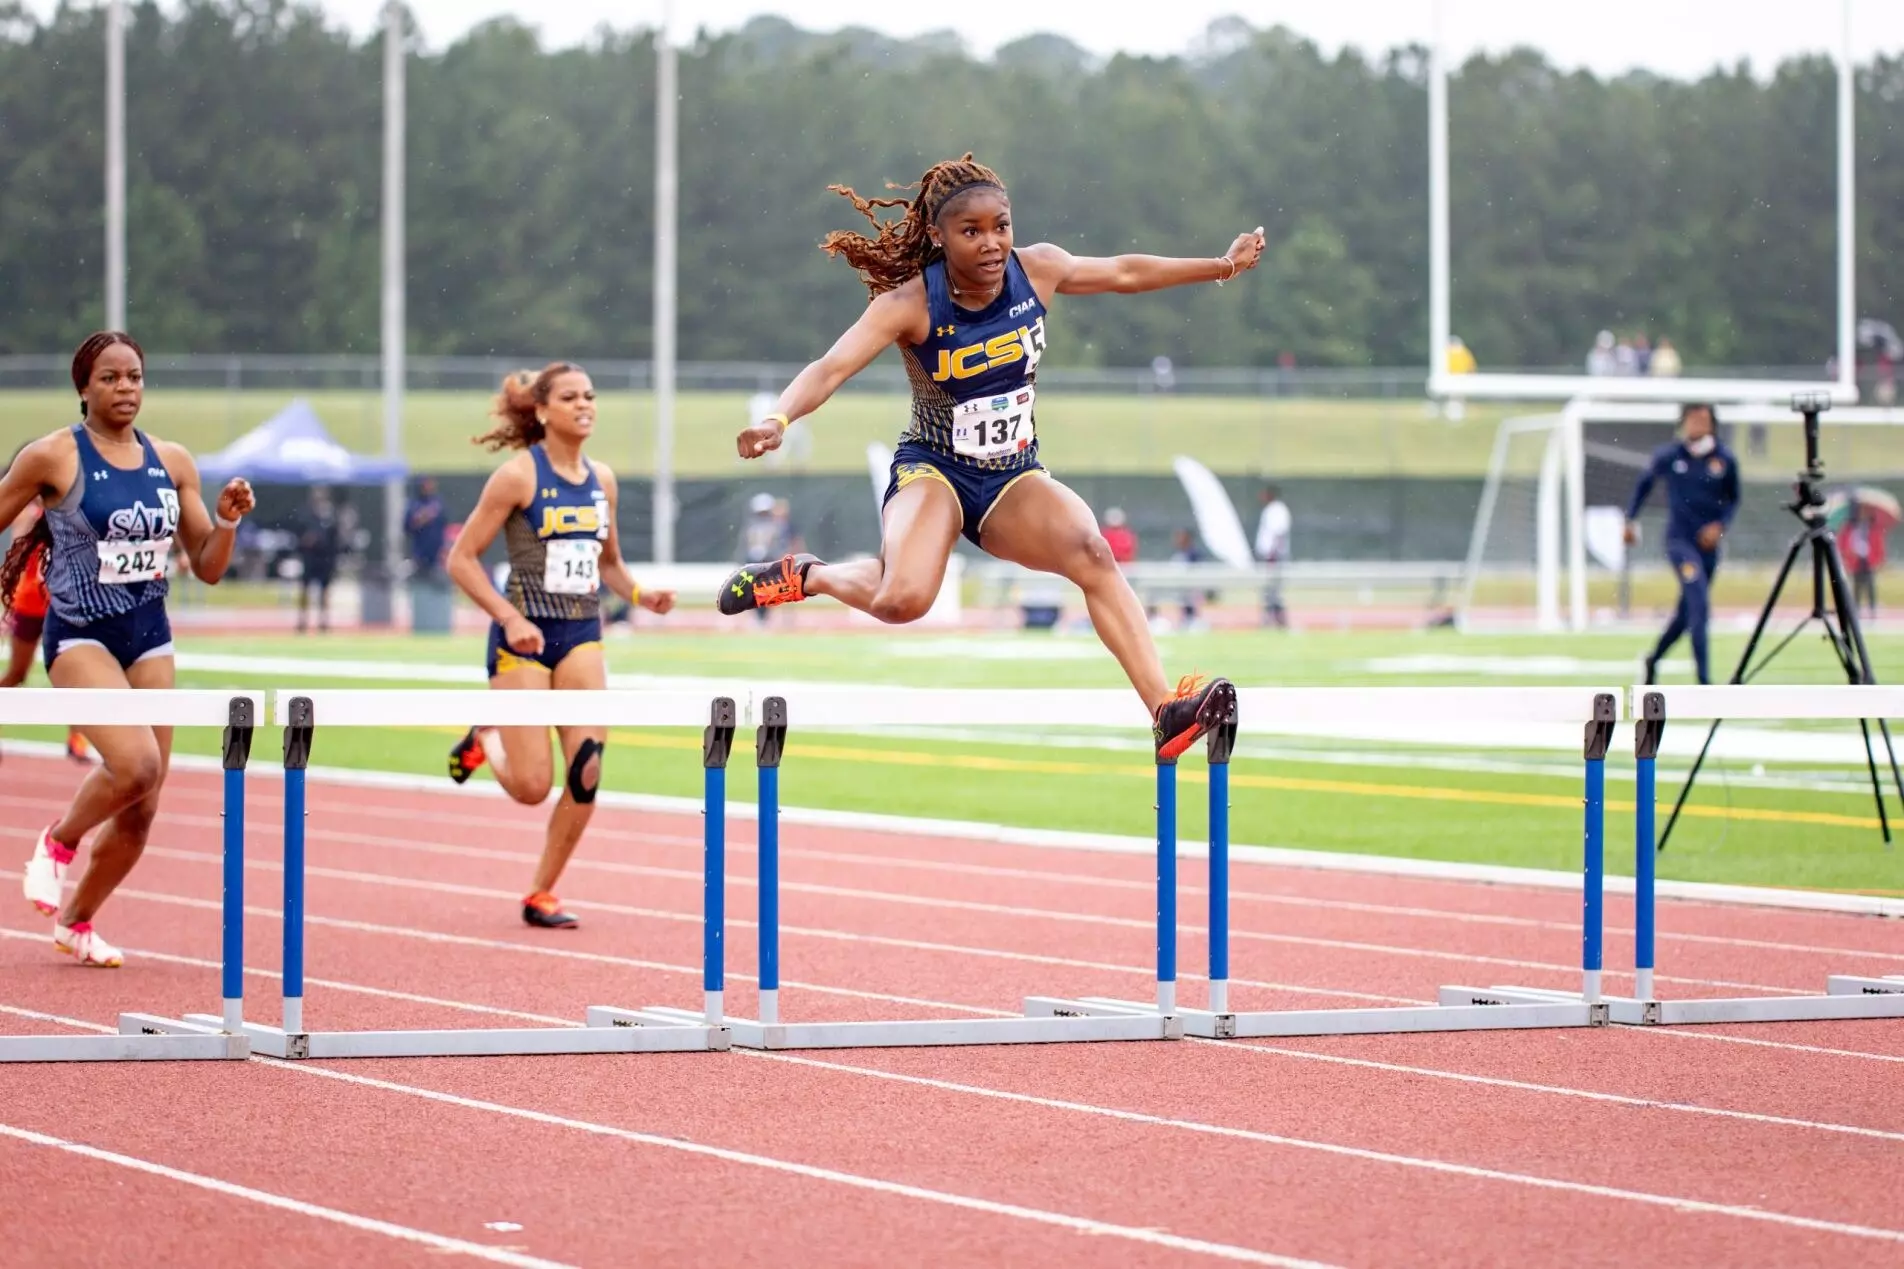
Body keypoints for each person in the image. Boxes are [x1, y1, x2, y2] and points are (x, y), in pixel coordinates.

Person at [713, 156, 1256, 758]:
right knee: (902, 601)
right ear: (940, 237)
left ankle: (1164, 708)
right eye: (971, 232)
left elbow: (1126, 271)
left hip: (1011, 475)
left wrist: (1222, 266)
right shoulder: (911, 303)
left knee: (1093, 552)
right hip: (933, 470)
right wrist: (778, 418)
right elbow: (830, 366)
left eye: (1001, 226)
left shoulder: (1039, 269)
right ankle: (808, 575)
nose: (992, 243)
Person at [0, 331, 254, 967]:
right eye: (111, 378)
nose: (125, 389)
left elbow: (208, 566)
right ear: (83, 386)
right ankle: (57, 843)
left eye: (135, 377)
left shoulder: (172, 460)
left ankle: (76, 921)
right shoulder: (53, 456)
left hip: (149, 634)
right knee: (136, 763)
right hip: (80, 633)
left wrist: (226, 521)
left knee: (144, 807)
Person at [443, 363, 676, 929]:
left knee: (587, 770)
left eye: (591, 395)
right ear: (543, 410)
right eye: (570, 397)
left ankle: (541, 892)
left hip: (580, 635)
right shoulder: (518, 477)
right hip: (522, 639)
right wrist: (506, 617)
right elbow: (461, 560)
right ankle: (487, 736)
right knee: (530, 788)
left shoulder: (604, 481)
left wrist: (643, 595)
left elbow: (610, 565)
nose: (584, 404)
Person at [1624, 403, 1739, 685]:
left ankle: (1654, 658)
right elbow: (1644, 484)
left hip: (1709, 548)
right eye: (1691, 419)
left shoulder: (1724, 459)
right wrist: (1630, 519)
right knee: (1699, 603)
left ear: (1712, 424)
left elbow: (1733, 499)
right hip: (1680, 542)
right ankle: (1704, 681)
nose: (1696, 424)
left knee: (1686, 615)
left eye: (1702, 419)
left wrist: (1720, 526)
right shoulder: (1670, 455)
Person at [1, 495, 90, 764]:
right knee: (17, 674)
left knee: (76, 678)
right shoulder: (31, 514)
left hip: (62, 607)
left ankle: (77, 740)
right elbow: (15, 555)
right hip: (29, 606)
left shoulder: (75, 512)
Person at [295, 485, 341, 633]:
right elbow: (298, 534)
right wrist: (306, 540)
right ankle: (303, 620)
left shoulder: (330, 515)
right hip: (310, 557)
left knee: (324, 590)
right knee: (305, 589)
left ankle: (324, 620)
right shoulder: (306, 515)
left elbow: (335, 537)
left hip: (324, 557)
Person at [1839, 501, 1885, 618]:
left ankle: (1872, 609)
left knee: (1870, 586)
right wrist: (1850, 553)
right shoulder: (1850, 528)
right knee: (1857, 586)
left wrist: (1876, 558)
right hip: (1855, 560)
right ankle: (1856, 609)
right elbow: (1843, 544)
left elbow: (1878, 544)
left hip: (1868, 561)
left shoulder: (1872, 528)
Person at [1254, 484, 1291, 629]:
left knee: (1273, 590)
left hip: (1274, 557)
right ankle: (1272, 620)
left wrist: (1272, 554)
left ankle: (1277, 621)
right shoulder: (1270, 510)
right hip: (1269, 556)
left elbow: (1278, 533)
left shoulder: (1277, 510)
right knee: (1268, 591)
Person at [404, 475, 447, 578]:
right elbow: (408, 526)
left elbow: (444, 522)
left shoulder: (437, 501)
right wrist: (422, 517)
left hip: (437, 553)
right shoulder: (414, 504)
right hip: (420, 553)